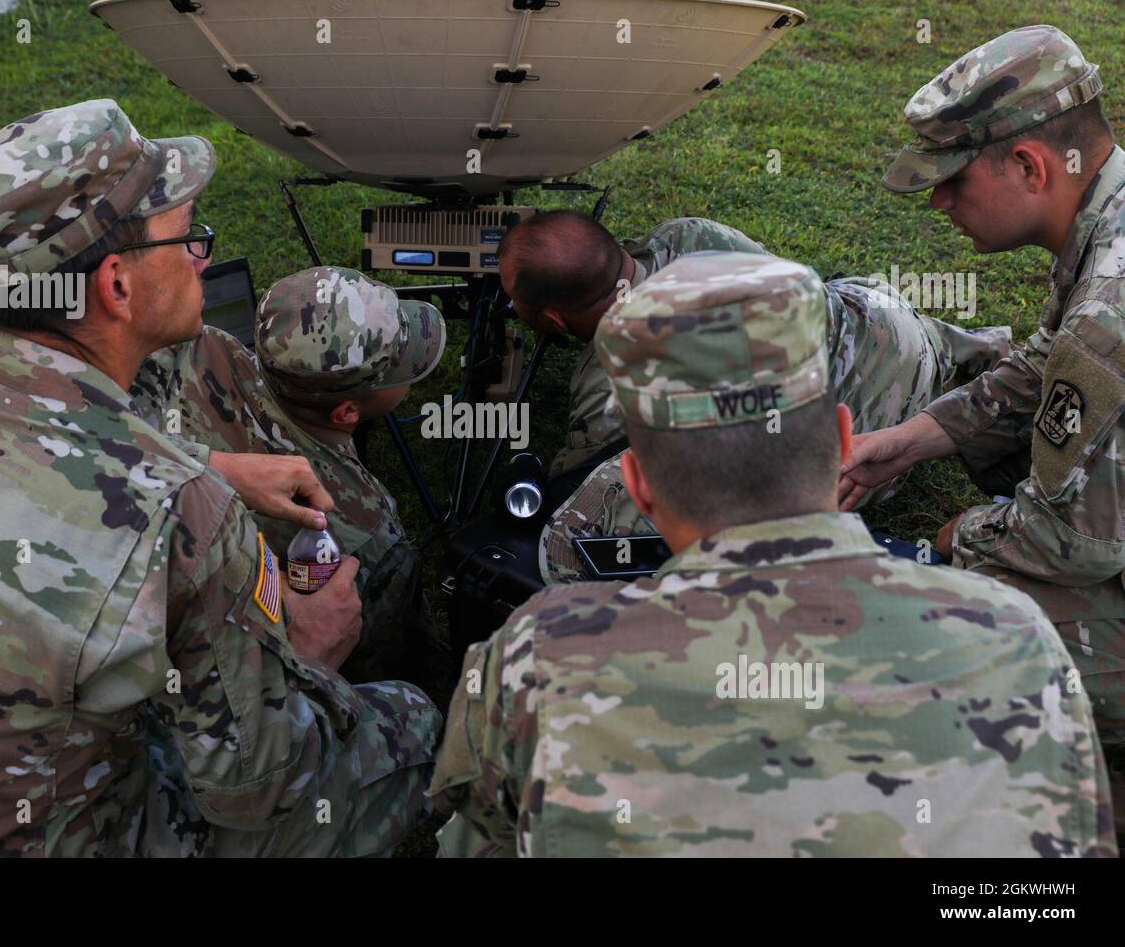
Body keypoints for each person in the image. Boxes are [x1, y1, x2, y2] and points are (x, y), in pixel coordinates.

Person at [0, 99, 439, 857]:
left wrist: (209, 463)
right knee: (408, 722)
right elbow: (256, 782)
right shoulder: (183, 514)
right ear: (116, 286)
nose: (202, 259)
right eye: (188, 240)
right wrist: (308, 656)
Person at [428, 251, 1117, 857]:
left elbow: (474, 804)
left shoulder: (531, 660)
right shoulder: (1015, 633)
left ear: (635, 483)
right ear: (847, 438)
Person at [837, 24, 1125, 837]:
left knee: (956, 627)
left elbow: (1078, 547)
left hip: (1096, 539)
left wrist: (963, 538)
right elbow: (1040, 363)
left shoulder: (1109, 309)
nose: (936, 201)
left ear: (1030, 166)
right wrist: (920, 435)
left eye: (952, 180)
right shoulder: (1107, 216)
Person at [497, 212, 1010, 477]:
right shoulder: (688, 235)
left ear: (553, 320)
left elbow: (572, 489)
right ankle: (971, 352)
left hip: (868, 442)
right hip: (887, 323)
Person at [131, 267, 448, 688]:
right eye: (400, 369)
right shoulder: (363, 529)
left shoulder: (206, 347)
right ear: (347, 413)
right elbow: (390, 654)